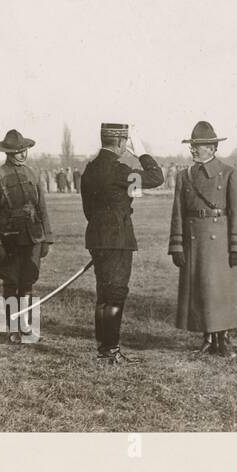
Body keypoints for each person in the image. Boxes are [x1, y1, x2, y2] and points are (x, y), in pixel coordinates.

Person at [167, 120, 237, 357]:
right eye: (192, 145)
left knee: (219, 291)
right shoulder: (185, 176)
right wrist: (177, 244)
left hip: (220, 243)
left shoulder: (229, 174)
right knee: (200, 291)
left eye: (199, 145)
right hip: (194, 242)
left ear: (213, 148)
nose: (193, 149)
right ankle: (207, 338)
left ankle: (223, 339)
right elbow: (178, 212)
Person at [80, 122, 164, 364]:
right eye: (126, 142)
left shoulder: (90, 170)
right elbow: (156, 178)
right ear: (119, 142)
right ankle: (110, 350)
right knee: (116, 294)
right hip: (117, 239)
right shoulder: (119, 170)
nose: (126, 146)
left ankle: (103, 348)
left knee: (103, 294)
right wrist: (143, 153)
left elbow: (88, 210)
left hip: (97, 237)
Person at [0, 129, 53, 345]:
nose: (22, 155)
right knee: (11, 282)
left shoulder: (33, 174)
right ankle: (13, 329)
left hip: (33, 238)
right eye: (16, 151)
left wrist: (47, 238)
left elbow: (42, 208)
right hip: (9, 239)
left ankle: (27, 327)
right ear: (7, 153)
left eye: (24, 150)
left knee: (29, 281)